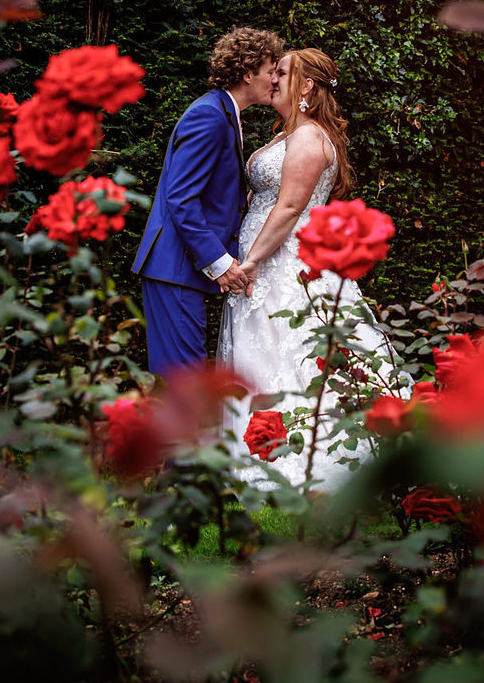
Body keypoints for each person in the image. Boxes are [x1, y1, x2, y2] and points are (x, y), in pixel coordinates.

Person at [220, 47, 403, 489]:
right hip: (266, 256)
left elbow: (287, 208)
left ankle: (311, 457)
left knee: (299, 348)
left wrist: (249, 263)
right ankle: (252, 446)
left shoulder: (308, 137)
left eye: (282, 72)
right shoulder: (285, 135)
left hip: (285, 262)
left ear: (307, 86)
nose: (272, 78)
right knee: (263, 348)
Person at [132, 26, 284, 379]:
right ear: (248, 73)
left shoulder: (225, 114)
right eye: (270, 70)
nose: (275, 80)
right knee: (184, 384)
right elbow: (181, 198)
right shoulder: (210, 115)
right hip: (174, 268)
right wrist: (220, 262)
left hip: (180, 271)